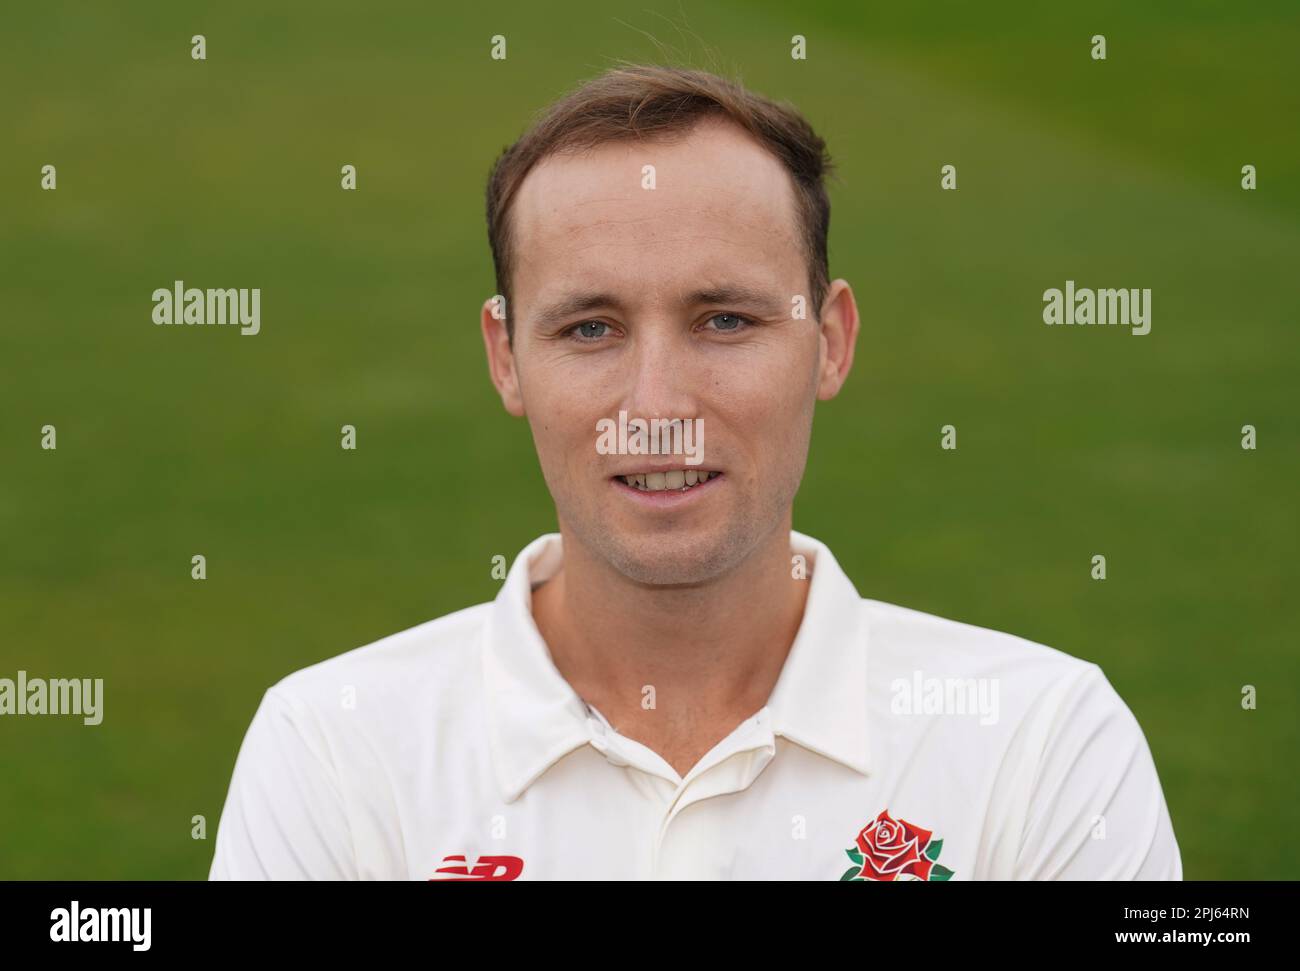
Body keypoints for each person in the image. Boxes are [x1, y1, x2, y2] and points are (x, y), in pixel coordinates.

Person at [210, 64, 1181, 880]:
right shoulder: (331, 748)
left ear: (830, 341)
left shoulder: (1043, 742)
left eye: (725, 320)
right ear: (506, 358)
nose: (657, 405)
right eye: (590, 328)